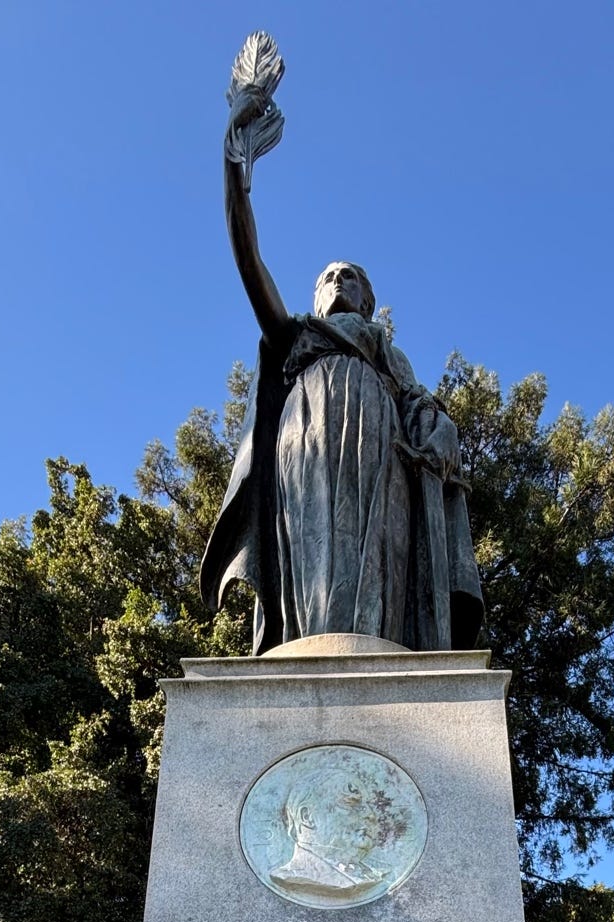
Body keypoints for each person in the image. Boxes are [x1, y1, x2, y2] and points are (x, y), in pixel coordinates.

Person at [201, 87, 483, 655]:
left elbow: (419, 407)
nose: (337, 280)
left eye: (350, 276)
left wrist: (439, 426)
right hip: (304, 439)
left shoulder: (387, 359)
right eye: (328, 276)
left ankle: (378, 653)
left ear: (370, 300)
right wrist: (235, 160)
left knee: (385, 557)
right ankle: (308, 650)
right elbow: (247, 257)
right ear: (314, 296)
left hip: (383, 446)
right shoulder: (295, 336)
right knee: (311, 550)